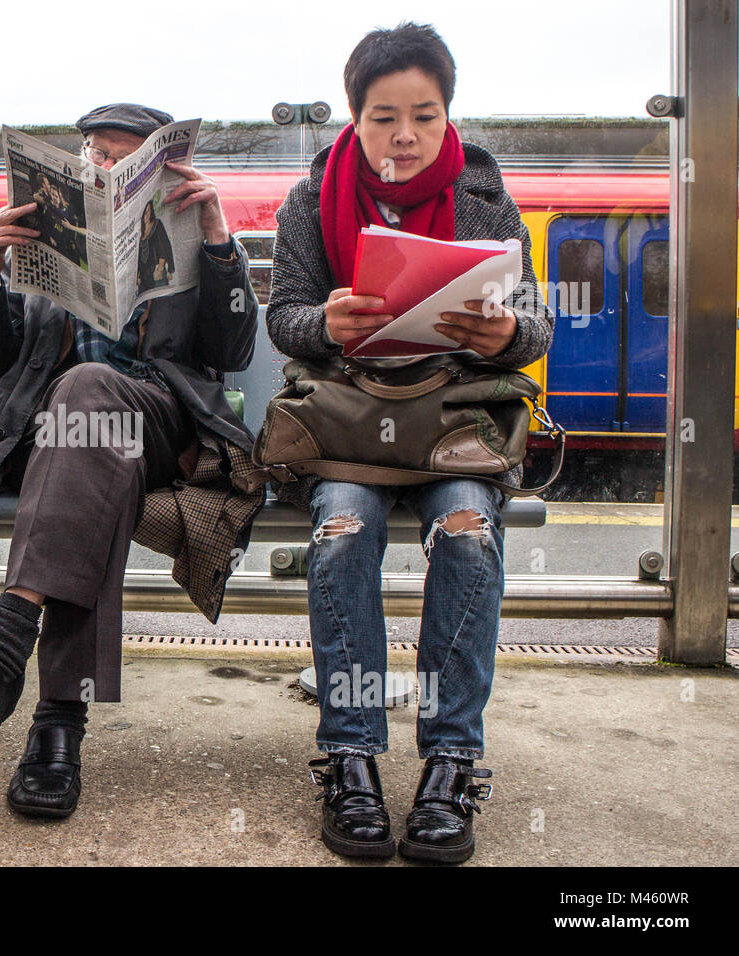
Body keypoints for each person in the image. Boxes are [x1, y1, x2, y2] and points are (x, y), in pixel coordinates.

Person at [0, 103, 263, 818]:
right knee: (86, 454)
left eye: (121, 158)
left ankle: (2, 642)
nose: (103, 167)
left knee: (89, 392)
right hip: (68, 442)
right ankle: (55, 728)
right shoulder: (50, 237)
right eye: (94, 155)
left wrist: (221, 244)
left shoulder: (197, 242)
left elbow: (232, 357)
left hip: (162, 423)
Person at [265, 23, 553, 863]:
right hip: (351, 420)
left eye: (424, 115)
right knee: (342, 531)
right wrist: (325, 322)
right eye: (383, 115)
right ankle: (350, 754)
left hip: (454, 420)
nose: (404, 135)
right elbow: (285, 315)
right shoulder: (307, 201)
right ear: (354, 117)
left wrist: (503, 337)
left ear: (446, 114)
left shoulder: (487, 199)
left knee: (467, 534)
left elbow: (531, 323)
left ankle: (451, 762)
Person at [135, 200, 173, 295]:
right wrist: (138, 275)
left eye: (149, 210)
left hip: (156, 272)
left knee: (161, 304)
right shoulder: (139, 231)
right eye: (145, 212)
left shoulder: (157, 224)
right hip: (144, 277)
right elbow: (139, 257)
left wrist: (160, 269)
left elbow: (163, 247)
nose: (147, 215)